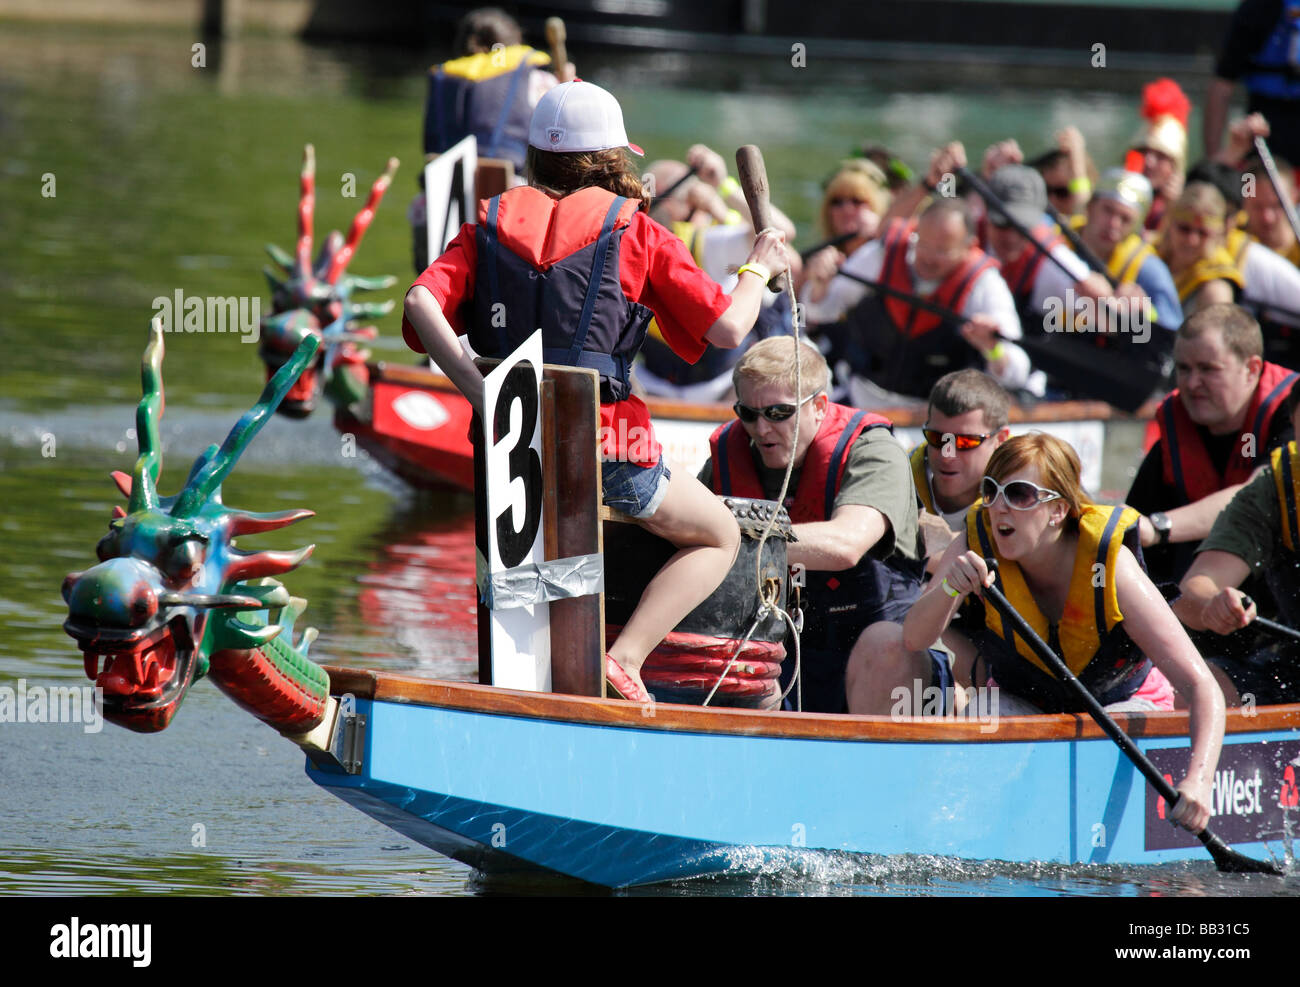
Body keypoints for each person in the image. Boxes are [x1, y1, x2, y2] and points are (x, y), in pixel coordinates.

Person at [402, 80, 790, 702]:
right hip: (608, 444)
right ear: (615, 157)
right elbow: (728, 328)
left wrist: (480, 391)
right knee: (719, 533)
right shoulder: (639, 232)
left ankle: (519, 680)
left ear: (537, 156)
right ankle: (626, 660)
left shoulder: (487, 225)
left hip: (507, 445)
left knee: (525, 562)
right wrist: (759, 266)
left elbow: (420, 300)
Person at [878, 434, 1225, 832]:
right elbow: (914, 640)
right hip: (1025, 701)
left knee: (1096, 751)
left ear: (1058, 509)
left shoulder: (1113, 568)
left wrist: (1199, 782)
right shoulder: (975, 541)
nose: (998, 507)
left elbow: (1201, 686)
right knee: (982, 713)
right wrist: (949, 588)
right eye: (990, 492)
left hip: (1120, 704)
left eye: (1020, 494)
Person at [699, 337, 926, 714]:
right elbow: (682, 532)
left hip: (874, 642)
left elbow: (844, 545)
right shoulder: (729, 455)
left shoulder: (872, 449)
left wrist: (725, 539)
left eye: (778, 412)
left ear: (819, 407)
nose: (761, 427)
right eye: (748, 413)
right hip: (780, 648)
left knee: (884, 647)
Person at [800, 149, 1034, 401]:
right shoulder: (885, 253)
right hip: (862, 398)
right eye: (924, 244)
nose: (929, 257)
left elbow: (1017, 372)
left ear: (969, 246)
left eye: (943, 250)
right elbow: (820, 310)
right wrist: (819, 286)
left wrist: (993, 349)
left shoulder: (984, 283)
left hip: (938, 416)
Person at [1126, 304, 1297, 589]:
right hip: (1210, 588)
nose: (1192, 383)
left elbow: (1257, 497)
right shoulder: (1176, 430)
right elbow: (1133, 526)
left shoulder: (1292, 414)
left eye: (1208, 369)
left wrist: (1157, 527)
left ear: (1251, 369)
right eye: (1184, 369)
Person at [637, 145, 799, 401]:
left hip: (713, 385)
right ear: (681, 207)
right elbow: (783, 232)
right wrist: (721, 188)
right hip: (655, 381)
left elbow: (782, 232)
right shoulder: (705, 241)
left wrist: (721, 190)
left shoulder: (636, 240)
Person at [1174, 383, 1300, 705]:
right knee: (1193, 693)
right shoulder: (1274, 487)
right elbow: (1191, 595)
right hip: (1291, 668)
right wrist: (1215, 606)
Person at [421, 7, 574, 172]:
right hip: (509, 185)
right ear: (514, 42)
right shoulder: (540, 80)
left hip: (442, 183)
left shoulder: (444, 77)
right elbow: (565, 133)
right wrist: (567, 89)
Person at [1068, 168, 1183, 331]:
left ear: (1135, 228)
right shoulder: (1056, 238)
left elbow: (1172, 338)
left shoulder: (1149, 270)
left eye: (1125, 219)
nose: (1113, 224)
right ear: (1091, 206)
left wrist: (1146, 314)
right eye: (1108, 210)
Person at [910, 369, 1012, 534]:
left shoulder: (1027, 499)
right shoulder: (897, 480)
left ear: (1000, 439)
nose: (947, 455)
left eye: (965, 442)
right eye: (937, 438)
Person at [1205, 0, 1300, 166]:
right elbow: (1222, 86)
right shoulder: (1258, 9)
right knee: (1249, 188)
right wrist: (1215, 165)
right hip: (1260, 133)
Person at [1156, 181, 1246, 316]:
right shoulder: (1151, 253)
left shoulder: (1216, 290)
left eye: (1203, 233)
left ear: (1217, 233)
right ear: (1170, 223)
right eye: (1184, 229)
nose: (1192, 240)